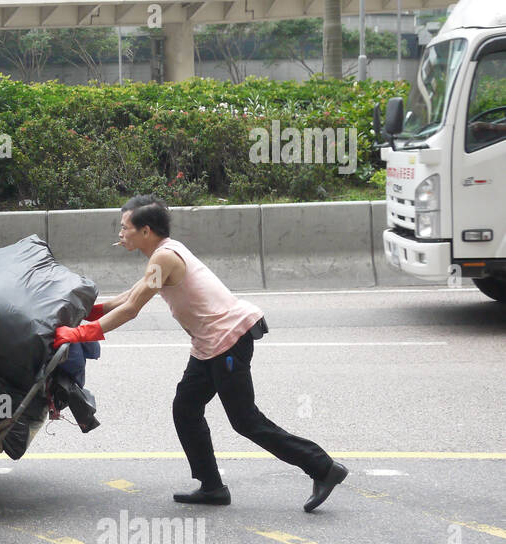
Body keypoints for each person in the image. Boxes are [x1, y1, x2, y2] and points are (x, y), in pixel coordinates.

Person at [52, 195, 349, 512]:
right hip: (209, 346)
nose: (120, 233)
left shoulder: (164, 258)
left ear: (146, 231)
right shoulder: (160, 256)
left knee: (245, 421)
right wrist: (86, 311)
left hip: (228, 341)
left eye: (125, 227)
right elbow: (130, 296)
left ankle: (322, 467)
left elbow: (131, 310)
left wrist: (81, 332)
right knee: (185, 408)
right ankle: (211, 486)